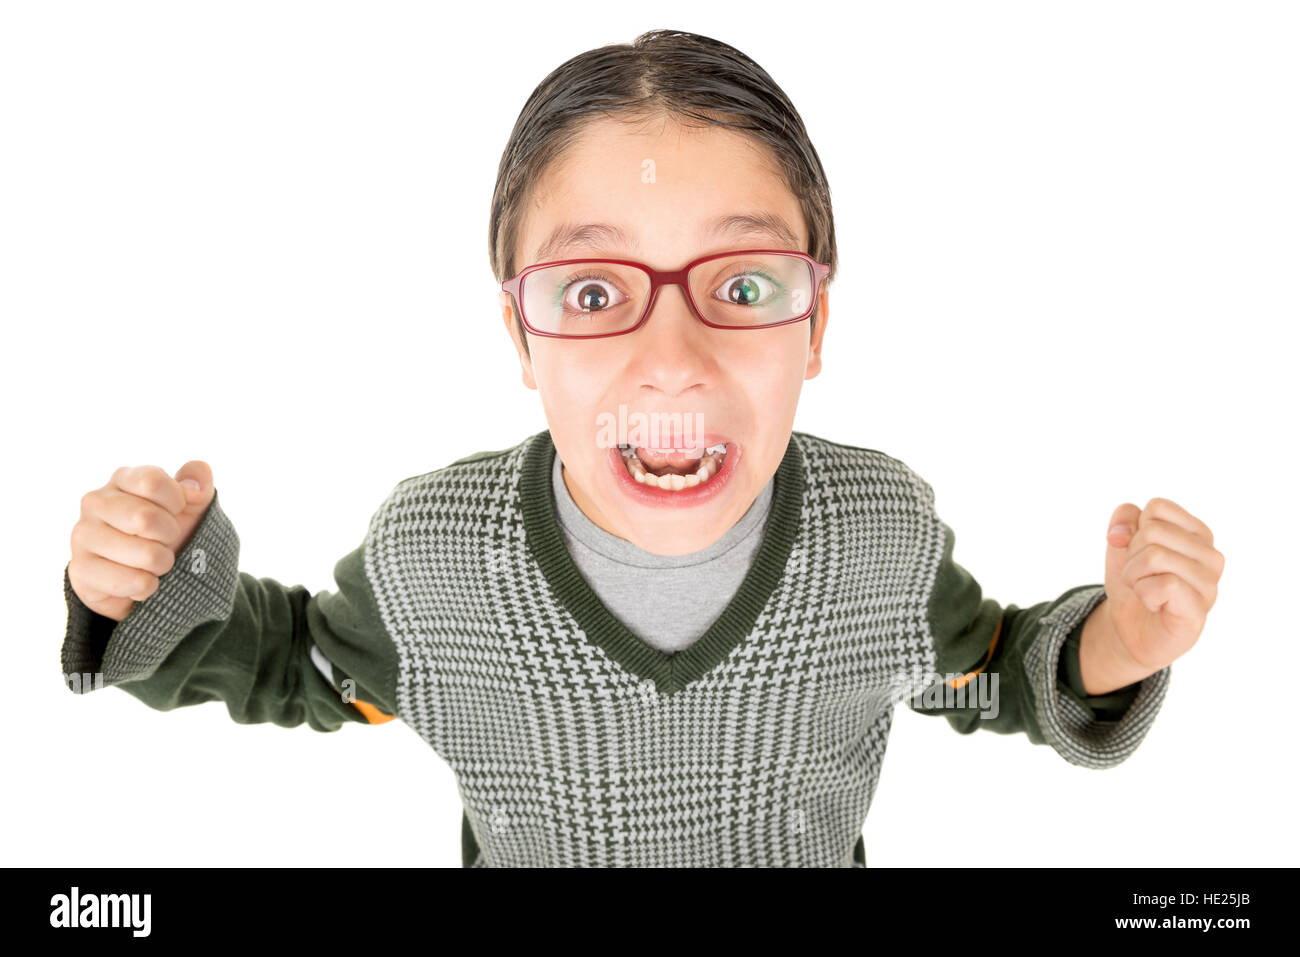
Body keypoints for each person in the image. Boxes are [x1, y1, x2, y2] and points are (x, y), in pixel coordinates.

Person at [61, 29, 1224, 867]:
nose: (670, 357)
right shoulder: (434, 560)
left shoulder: (880, 536)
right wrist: (151, 592)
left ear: (815, 323)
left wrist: (1116, 639)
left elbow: (987, 675)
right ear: (521, 334)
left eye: (745, 282)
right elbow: (302, 671)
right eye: (593, 288)